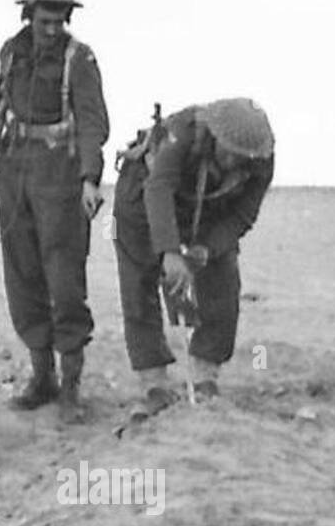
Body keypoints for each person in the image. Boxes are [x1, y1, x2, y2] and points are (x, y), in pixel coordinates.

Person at [0, 0, 110, 424]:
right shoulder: (11, 51)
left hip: (60, 176)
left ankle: (72, 389)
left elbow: (93, 121)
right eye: (44, 21)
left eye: (59, 22)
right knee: (22, 277)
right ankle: (42, 379)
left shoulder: (81, 59)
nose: (52, 30)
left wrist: (91, 179)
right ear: (28, 16)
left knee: (64, 282)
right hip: (15, 170)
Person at [112, 98, 275, 418]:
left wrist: (207, 249)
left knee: (223, 285)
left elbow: (243, 214)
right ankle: (154, 384)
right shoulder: (184, 132)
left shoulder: (261, 158)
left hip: (208, 212)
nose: (232, 161)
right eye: (228, 151)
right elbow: (158, 188)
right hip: (143, 198)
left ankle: (205, 378)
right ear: (214, 137)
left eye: (241, 157)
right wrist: (170, 252)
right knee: (139, 285)